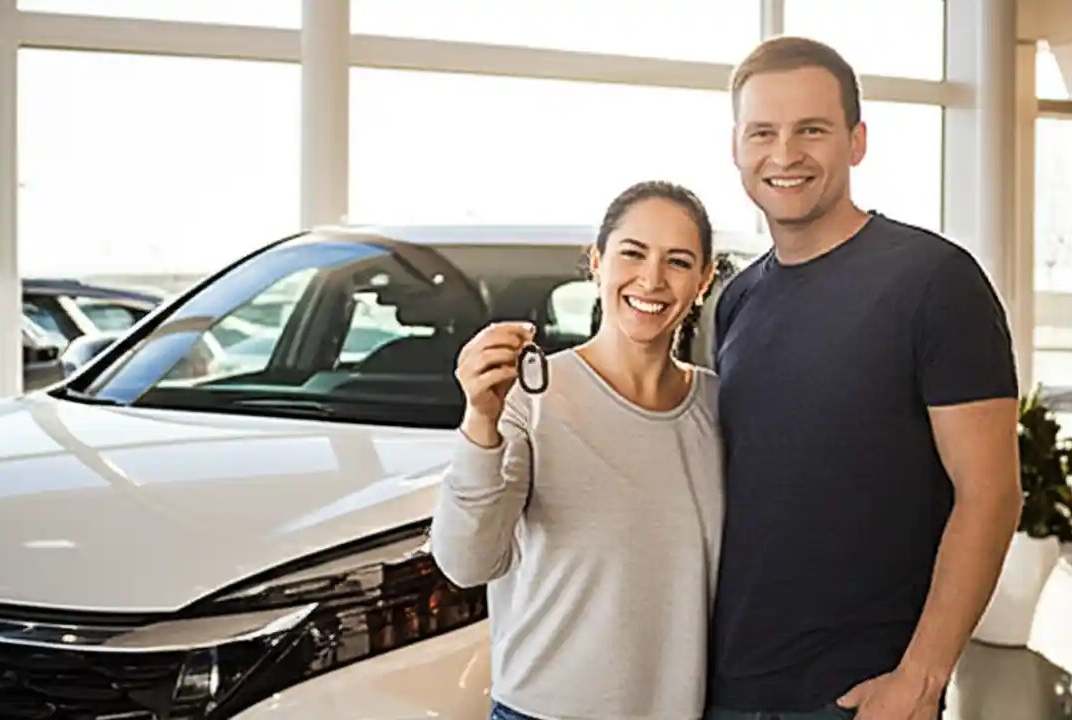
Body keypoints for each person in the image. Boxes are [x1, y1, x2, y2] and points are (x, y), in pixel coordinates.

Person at [705, 36, 1023, 720]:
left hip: (859, 695)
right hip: (731, 688)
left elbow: (992, 494)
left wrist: (920, 679)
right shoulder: (738, 300)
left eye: (811, 130)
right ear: (736, 147)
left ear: (856, 141)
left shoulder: (936, 281)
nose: (784, 154)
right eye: (763, 132)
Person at [431, 180, 725, 720]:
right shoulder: (531, 396)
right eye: (632, 253)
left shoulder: (719, 406)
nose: (652, 279)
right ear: (596, 262)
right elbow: (466, 563)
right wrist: (480, 420)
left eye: (678, 261)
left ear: (704, 280)